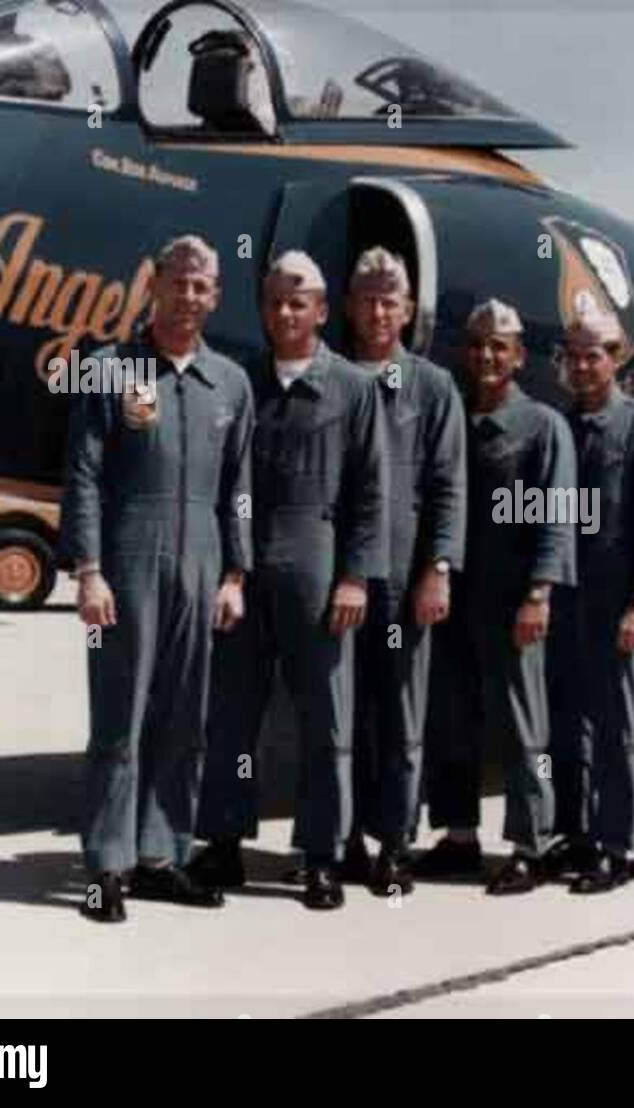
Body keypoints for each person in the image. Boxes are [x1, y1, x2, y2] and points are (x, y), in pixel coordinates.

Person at [60, 235, 253, 923]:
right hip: (129, 556)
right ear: (154, 284)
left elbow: (239, 489)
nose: (190, 296)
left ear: (215, 297)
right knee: (121, 717)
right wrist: (89, 570)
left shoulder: (231, 383)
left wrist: (234, 573)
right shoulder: (108, 369)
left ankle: (160, 857)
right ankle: (105, 868)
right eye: (180, 282)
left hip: (202, 559)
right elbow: (82, 476)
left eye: (204, 287)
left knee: (184, 719)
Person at [191, 251, 387, 911]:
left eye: (298, 301)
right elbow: (229, 488)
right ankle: (221, 840)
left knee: (326, 719)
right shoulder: (242, 384)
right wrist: (231, 569)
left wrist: (356, 576)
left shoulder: (356, 390)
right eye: (275, 301)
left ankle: (323, 856)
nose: (284, 312)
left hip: (319, 566)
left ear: (322, 311)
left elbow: (370, 493)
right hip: (246, 569)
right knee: (230, 714)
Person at [424, 298, 578, 895]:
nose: (487, 356)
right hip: (457, 594)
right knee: (452, 717)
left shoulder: (542, 426)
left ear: (518, 357)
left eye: (500, 346)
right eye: (478, 344)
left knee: (522, 725)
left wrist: (539, 592)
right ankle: (459, 835)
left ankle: (529, 844)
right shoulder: (454, 419)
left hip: (515, 599)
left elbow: (557, 521)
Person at [344, 246, 466, 895]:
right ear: (348, 305)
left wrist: (438, 568)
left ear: (409, 309)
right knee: (343, 716)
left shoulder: (432, 386)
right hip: (344, 580)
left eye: (391, 300)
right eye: (367, 298)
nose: (379, 311)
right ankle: (344, 838)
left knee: (401, 715)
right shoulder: (332, 376)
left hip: (404, 576)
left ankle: (395, 841)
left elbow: (448, 486)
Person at [550, 312, 634, 893]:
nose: (582, 365)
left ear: (617, 356)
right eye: (573, 355)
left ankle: (616, 845)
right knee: (568, 724)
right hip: (569, 597)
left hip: (620, 597)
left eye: (593, 354)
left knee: (620, 725)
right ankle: (574, 833)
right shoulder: (559, 427)